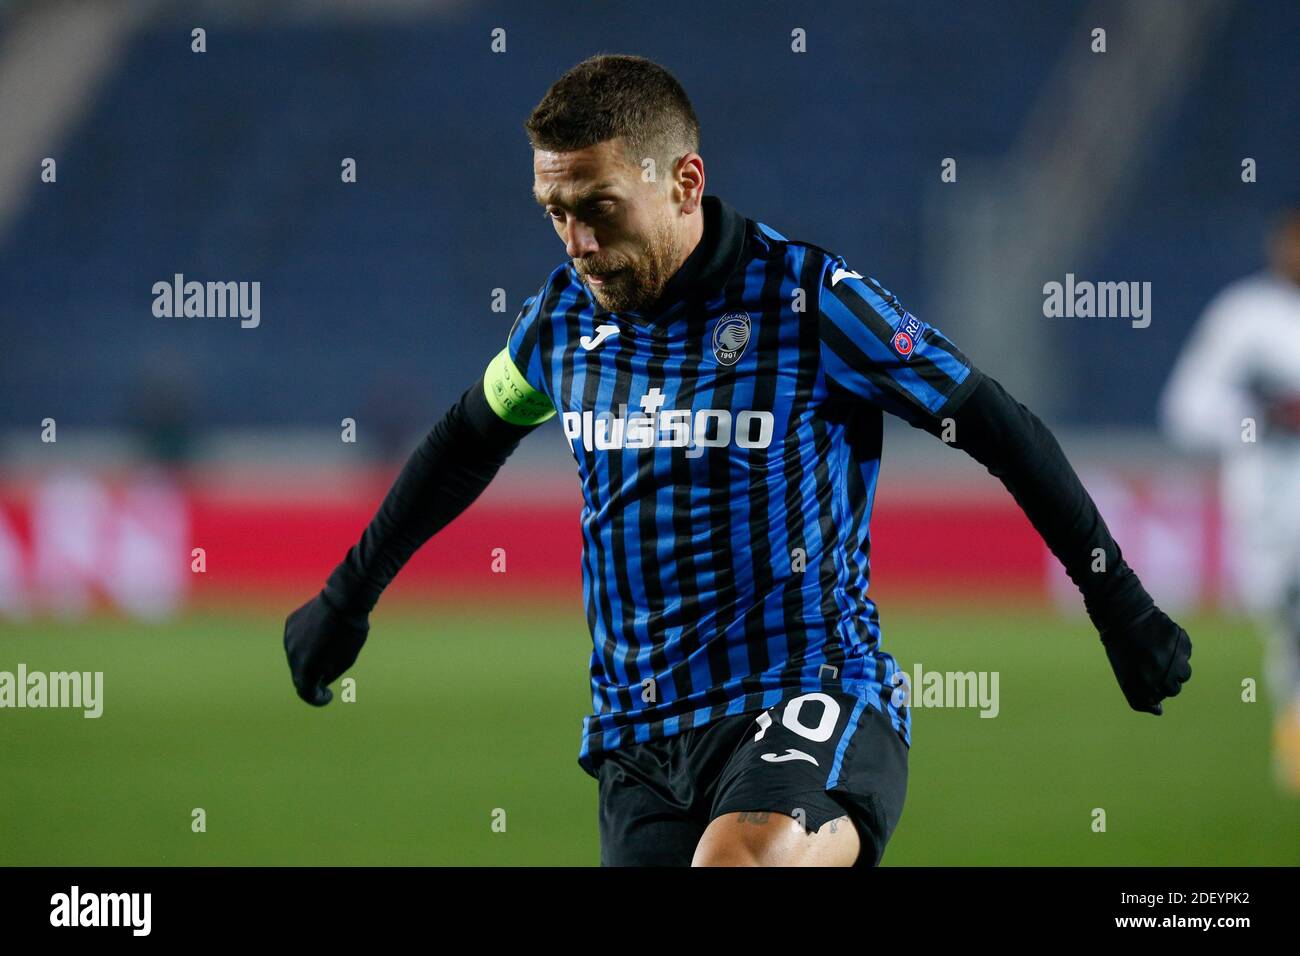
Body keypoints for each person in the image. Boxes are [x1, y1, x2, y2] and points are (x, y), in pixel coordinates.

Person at [284, 54, 1192, 865]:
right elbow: (462, 442)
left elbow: (995, 423)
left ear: (684, 182)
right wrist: (345, 597)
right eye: (555, 213)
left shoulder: (809, 300)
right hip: (638, 738)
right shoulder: (558, 325)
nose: (577, 244)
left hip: (808, 695)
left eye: (598, 208)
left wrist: (1117, 602)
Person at [1160, 201, 1300, 793]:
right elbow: (1184, 409)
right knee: (1288, 627)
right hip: (1268, 511)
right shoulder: (1244, 317)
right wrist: (1261, 417)